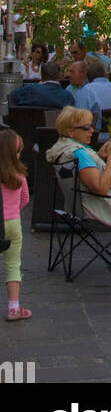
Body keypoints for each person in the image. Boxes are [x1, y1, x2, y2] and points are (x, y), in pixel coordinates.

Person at [46, 107, 111, 231]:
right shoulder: (80, 153)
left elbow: (85, 175)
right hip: (106, 210)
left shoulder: (63, 148)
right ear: (70, 132)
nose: (92, 130)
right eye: (86, 127)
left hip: (83, 206)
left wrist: (99, 156)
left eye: (92, 126)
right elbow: (101, 188)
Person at [0, 129, 31, 320]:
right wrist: (12, 212)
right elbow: (25, 200)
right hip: (13, 223)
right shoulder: (20, 174)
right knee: (13, 265)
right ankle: (13, 308)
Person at [65, 60, 103, 125]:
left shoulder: (91, 88)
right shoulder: (69, 88)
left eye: (72, 72)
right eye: (68, 71)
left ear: (82, 73)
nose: (68, 74)